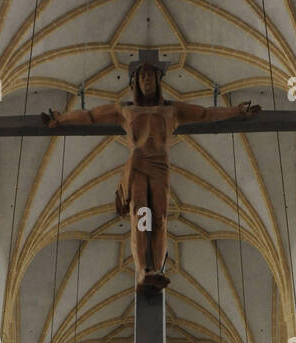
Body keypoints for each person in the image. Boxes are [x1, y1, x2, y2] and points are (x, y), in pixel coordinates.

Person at [42, 59, 260, 288]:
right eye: (142, 76)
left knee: (159, 219)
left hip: (159, 166)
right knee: (140, 216)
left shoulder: (172, 110)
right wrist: (62, 118)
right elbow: (91, 117)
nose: (146, 79)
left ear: (158, 80)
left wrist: (236, 111)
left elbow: (206, 114)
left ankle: (155, 269)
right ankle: (141, 271)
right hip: (137, 164)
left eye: (150, 75)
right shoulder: (126, 110)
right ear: (135, 82)